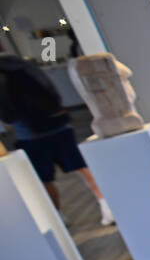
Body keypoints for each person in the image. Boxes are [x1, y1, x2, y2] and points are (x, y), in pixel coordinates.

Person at [0, 53, 114, 226]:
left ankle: (59, 217)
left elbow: (7, 113)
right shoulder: (24, 65)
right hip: (57, 124)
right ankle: (106, 206)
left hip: (30, 133)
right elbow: (51, 89)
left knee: (45, 179)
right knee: (81, 167)